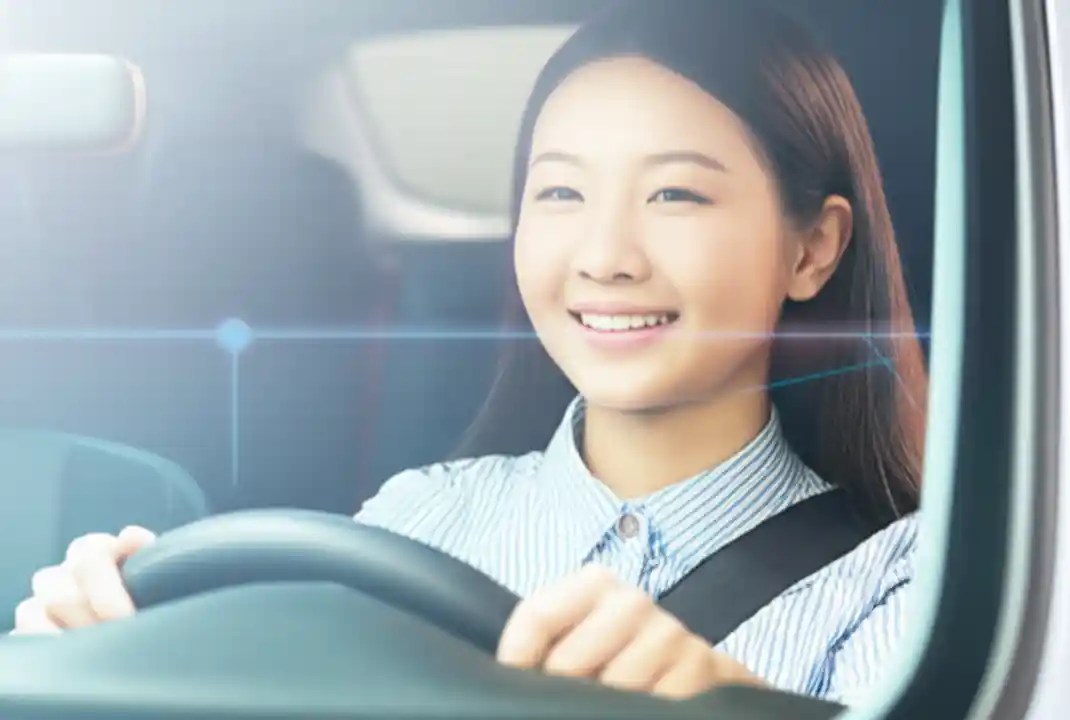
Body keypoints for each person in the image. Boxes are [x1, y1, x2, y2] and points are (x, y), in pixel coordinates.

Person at [11, 0, 928, 707]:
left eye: (676, 196)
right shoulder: (416, 521)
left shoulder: (912, 580)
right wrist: (99, 653)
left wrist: (728, 708)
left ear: (812, 248)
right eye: (561, 193)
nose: (605, 256)